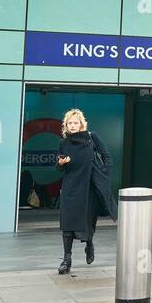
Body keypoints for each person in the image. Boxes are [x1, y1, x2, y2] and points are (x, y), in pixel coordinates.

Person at [55, 108, 115, 274]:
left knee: (87, 222)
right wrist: (61, 163)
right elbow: (59, 167)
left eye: (75, 123)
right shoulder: (63, 143)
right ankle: (67, 260)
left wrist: (104, 176)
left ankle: (89, 243)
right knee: (67, 224)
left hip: (89, 187)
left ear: (81, 124)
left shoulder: (91, 137)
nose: (72, 126)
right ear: (66, 125)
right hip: (70, 187)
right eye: (69, 123)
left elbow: (107, 157)